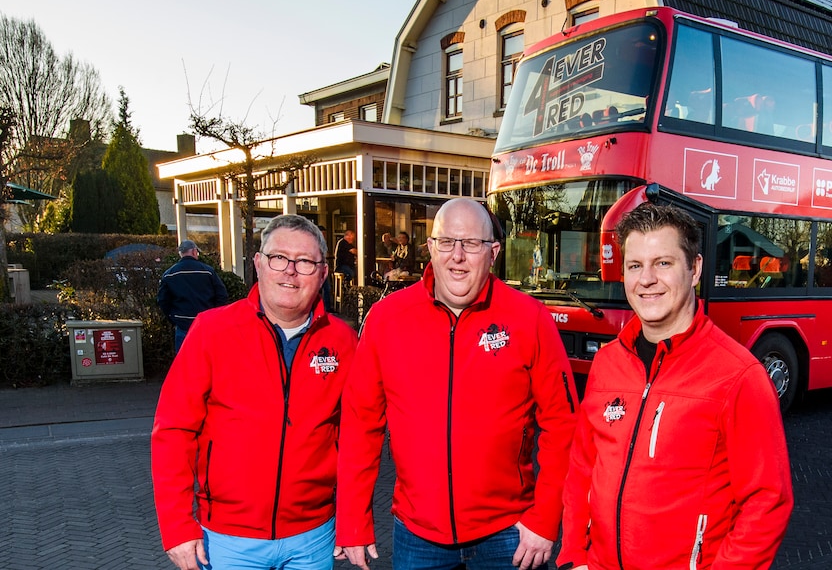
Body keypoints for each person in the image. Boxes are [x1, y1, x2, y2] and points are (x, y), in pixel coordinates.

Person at [336, 198, 577, 570]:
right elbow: (360, 423)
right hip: (417, 534)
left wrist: (545, 519)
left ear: (493, 253)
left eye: (472, 243)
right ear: (431, 248)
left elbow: (564, 425)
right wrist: (353, 520)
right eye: (447, 242)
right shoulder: (387, 319)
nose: (458, 256)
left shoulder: (529, 318)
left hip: (510, 534)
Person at [558, 203, 793, 570]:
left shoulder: (739, 376)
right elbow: (582, 470)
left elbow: (767, 502)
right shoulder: (607, 363)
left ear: (694, 269)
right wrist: (574, 557)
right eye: (635, 266)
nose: (646, 279)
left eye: (663, 263)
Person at [151, 214, 358, 570]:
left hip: (313, 537)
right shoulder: (212, 331)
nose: (290, 271)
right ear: (259, 264)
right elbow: (173, 430)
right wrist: (176, 525)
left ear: (323, 273)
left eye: (305, 262)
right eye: (279, 258)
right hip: (227, 540)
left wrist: (353, 521)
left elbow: (357, 436)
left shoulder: (343, 341)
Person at [156, 239, 229, 354]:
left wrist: (173, 317)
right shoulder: (208, 272)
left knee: (184, 361)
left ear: (180, 253)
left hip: (182, 324)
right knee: (206, 360)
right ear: (194, 252)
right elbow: (222, 295)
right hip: (206, 323)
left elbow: (163, 300)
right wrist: (214, 315)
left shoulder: (170, 274)